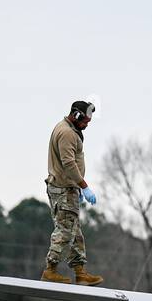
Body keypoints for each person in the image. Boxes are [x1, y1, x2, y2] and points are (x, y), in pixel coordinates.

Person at [42, 100, 103, 286]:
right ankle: (50, 270)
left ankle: (80, 272)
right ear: (76, 116)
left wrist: (78, 187)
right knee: (65, 230)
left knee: (75, 231)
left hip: (68, 188)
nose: (86, 125)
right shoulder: (67, 133)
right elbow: (69, 163)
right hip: (63, 189)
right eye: (85, 121)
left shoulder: (67, 129)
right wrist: (83, 185)